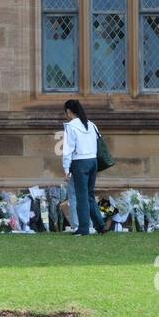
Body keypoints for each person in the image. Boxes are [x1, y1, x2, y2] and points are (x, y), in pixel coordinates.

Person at [61, 99, 100, 235]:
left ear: (68, 111)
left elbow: (67, 150)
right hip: (93, 161)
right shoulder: (91, 124)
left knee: (81, 197)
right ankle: (100, 224)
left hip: (80, 163)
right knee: (89, 195)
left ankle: (83, 228)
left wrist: (66, 169)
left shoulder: (71, 126)